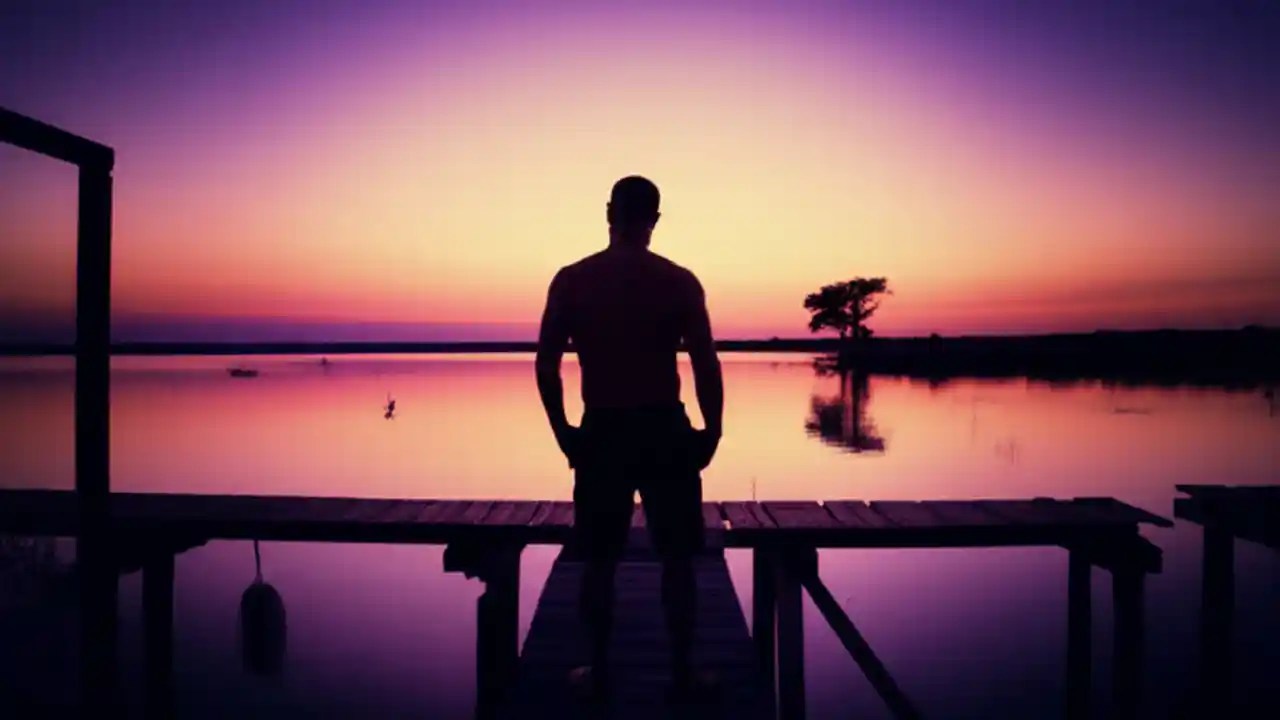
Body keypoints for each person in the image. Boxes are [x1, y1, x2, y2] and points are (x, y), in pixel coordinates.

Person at [535, 175, 724, 699]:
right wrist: (714, 429)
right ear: (655, 219)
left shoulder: (573, 280)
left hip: (604, 430)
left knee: (599, 560)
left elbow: (547, 364)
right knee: (679, 558)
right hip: (665, 428)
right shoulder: (679, 281)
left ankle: (597, 668)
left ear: (608, 212)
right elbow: (705, 363)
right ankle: (683, 672)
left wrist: (563, 431)